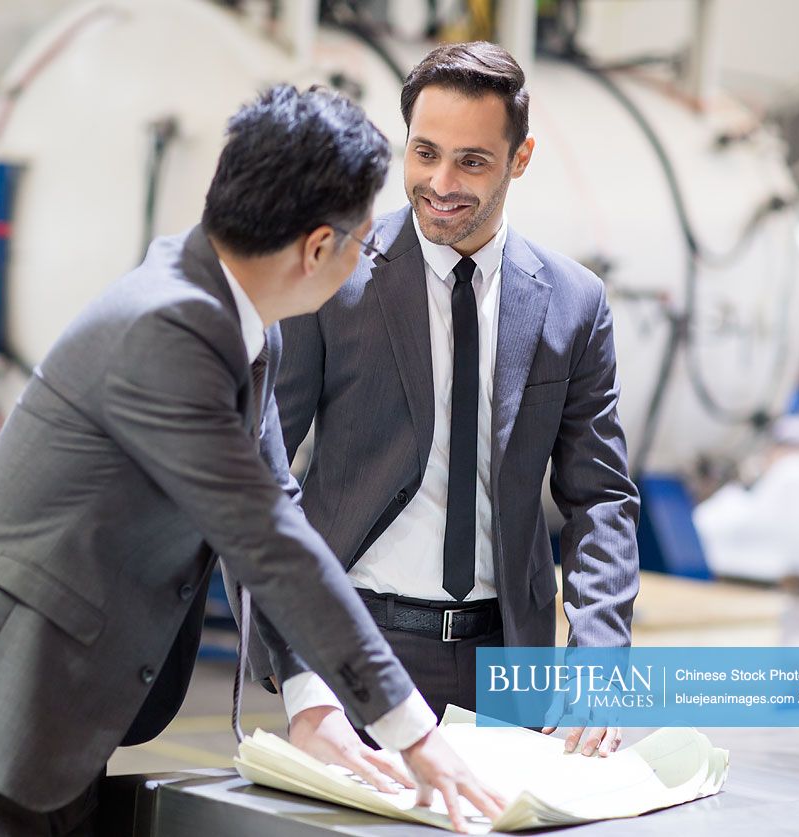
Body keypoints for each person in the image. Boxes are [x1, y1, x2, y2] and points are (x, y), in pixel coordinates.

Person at [0, 84, 504, 836]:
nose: (365, 261)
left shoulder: (240, 323)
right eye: (365, 241)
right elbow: (266, 541)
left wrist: (313, 699)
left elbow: (275, 510)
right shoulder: (166, 327)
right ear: (318, 248)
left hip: (53, 718)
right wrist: (413, 732)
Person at [235, 42, 641, 780]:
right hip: (355, 644)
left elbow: (601, 497)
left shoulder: (573, 303)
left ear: (519, 160)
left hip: (508, 659)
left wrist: (599, 658)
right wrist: (286, 660)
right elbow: (254, 480)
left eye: (472, 162)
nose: (440, 183)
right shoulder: (333, 271)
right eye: (423, 153)